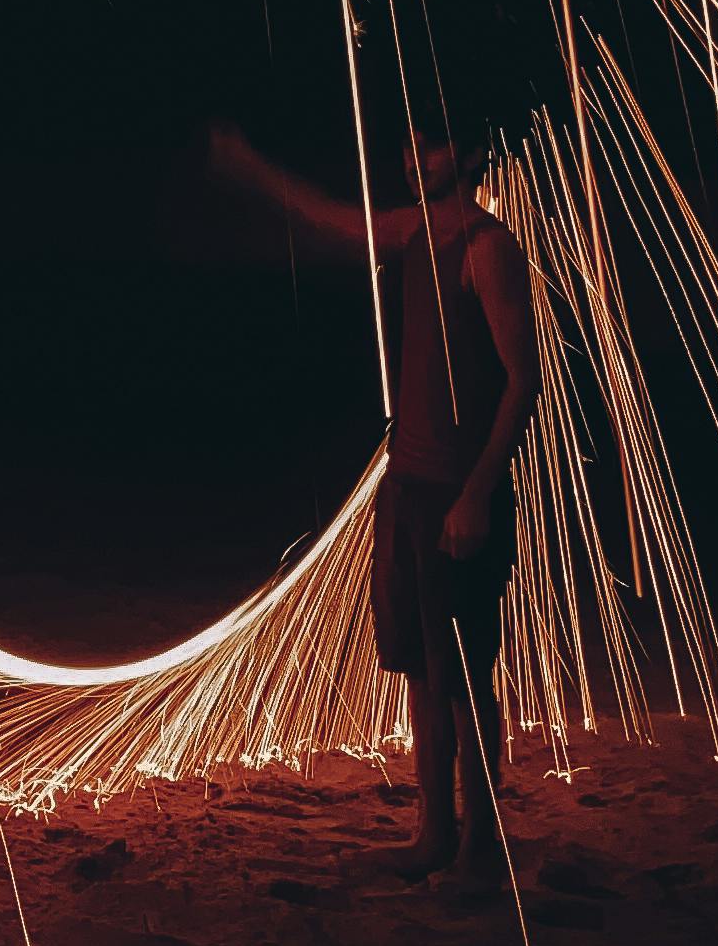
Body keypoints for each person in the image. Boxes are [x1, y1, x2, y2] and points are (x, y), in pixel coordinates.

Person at [214, 111, 540, 884]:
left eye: (427, 146)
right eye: (406, 146)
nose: (411, 159)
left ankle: (480, 851)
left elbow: (524, 381)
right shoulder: (414, 234)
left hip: (458, 493)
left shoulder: (487, 249)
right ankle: (434, 834)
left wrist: (478, 495)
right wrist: (252, 168)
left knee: (464, 678)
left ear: (467, 154)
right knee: (420, 674)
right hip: (406, 484)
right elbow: (333, 221)